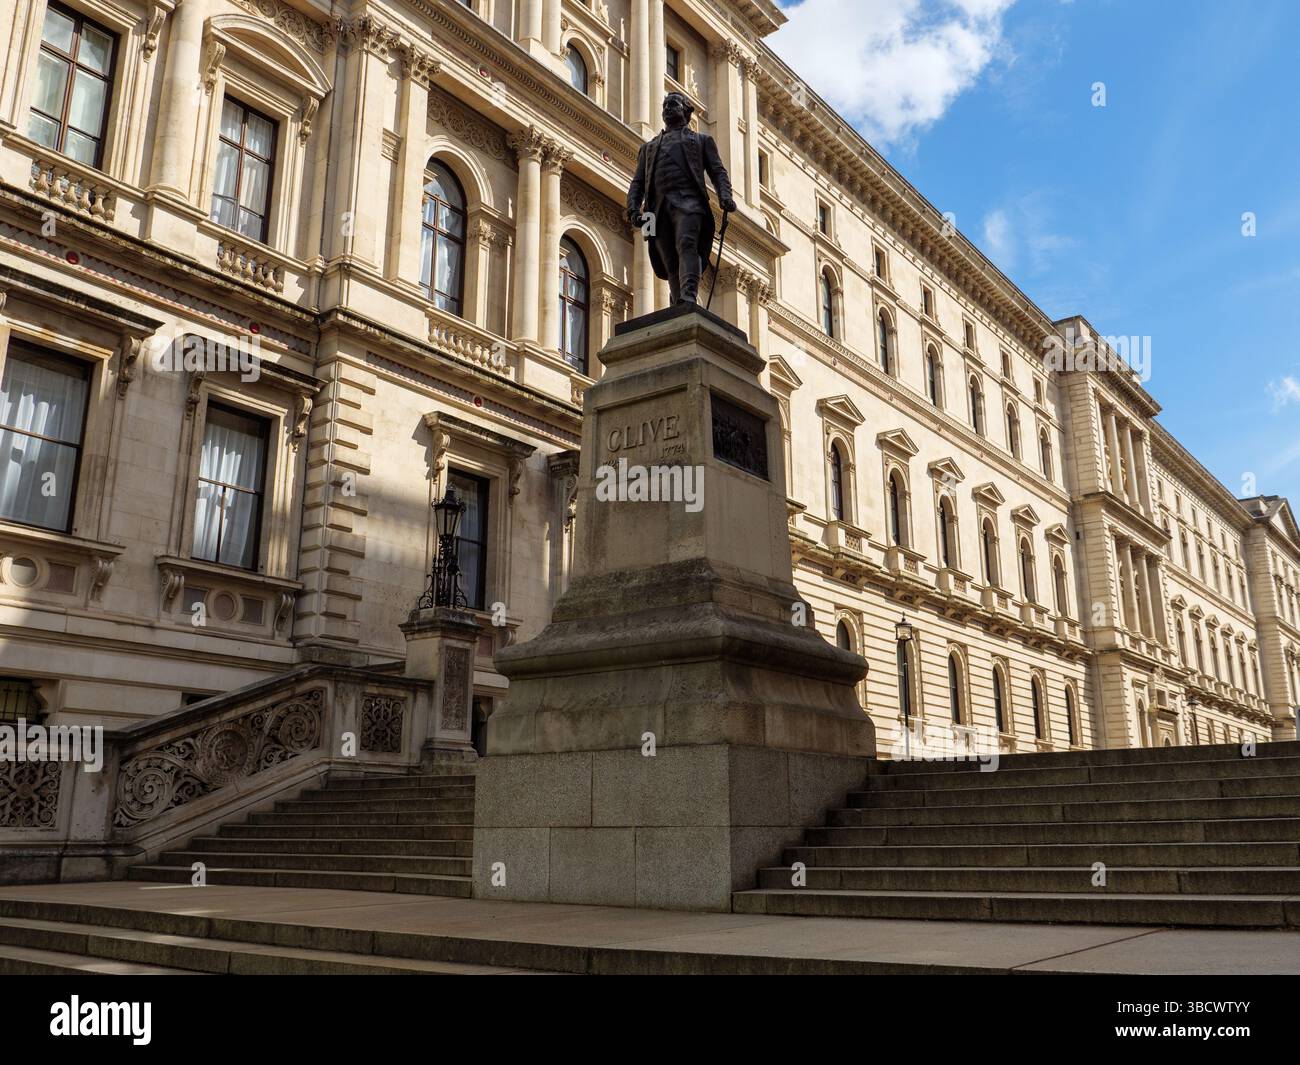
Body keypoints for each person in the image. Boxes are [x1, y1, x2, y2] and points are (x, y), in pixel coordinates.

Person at [626, 92, 737, 305]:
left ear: (686, 111)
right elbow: (638, 182)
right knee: (669, 259)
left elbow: (718, 171)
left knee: (686, 244)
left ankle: (688, 296)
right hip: (656, 210)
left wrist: (725, 196)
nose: (667, 108)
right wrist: (632, 208)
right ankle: (679, 302)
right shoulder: (648, 148)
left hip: (689, 203)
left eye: (673, 104)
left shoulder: (702, 141)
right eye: (665, 105)